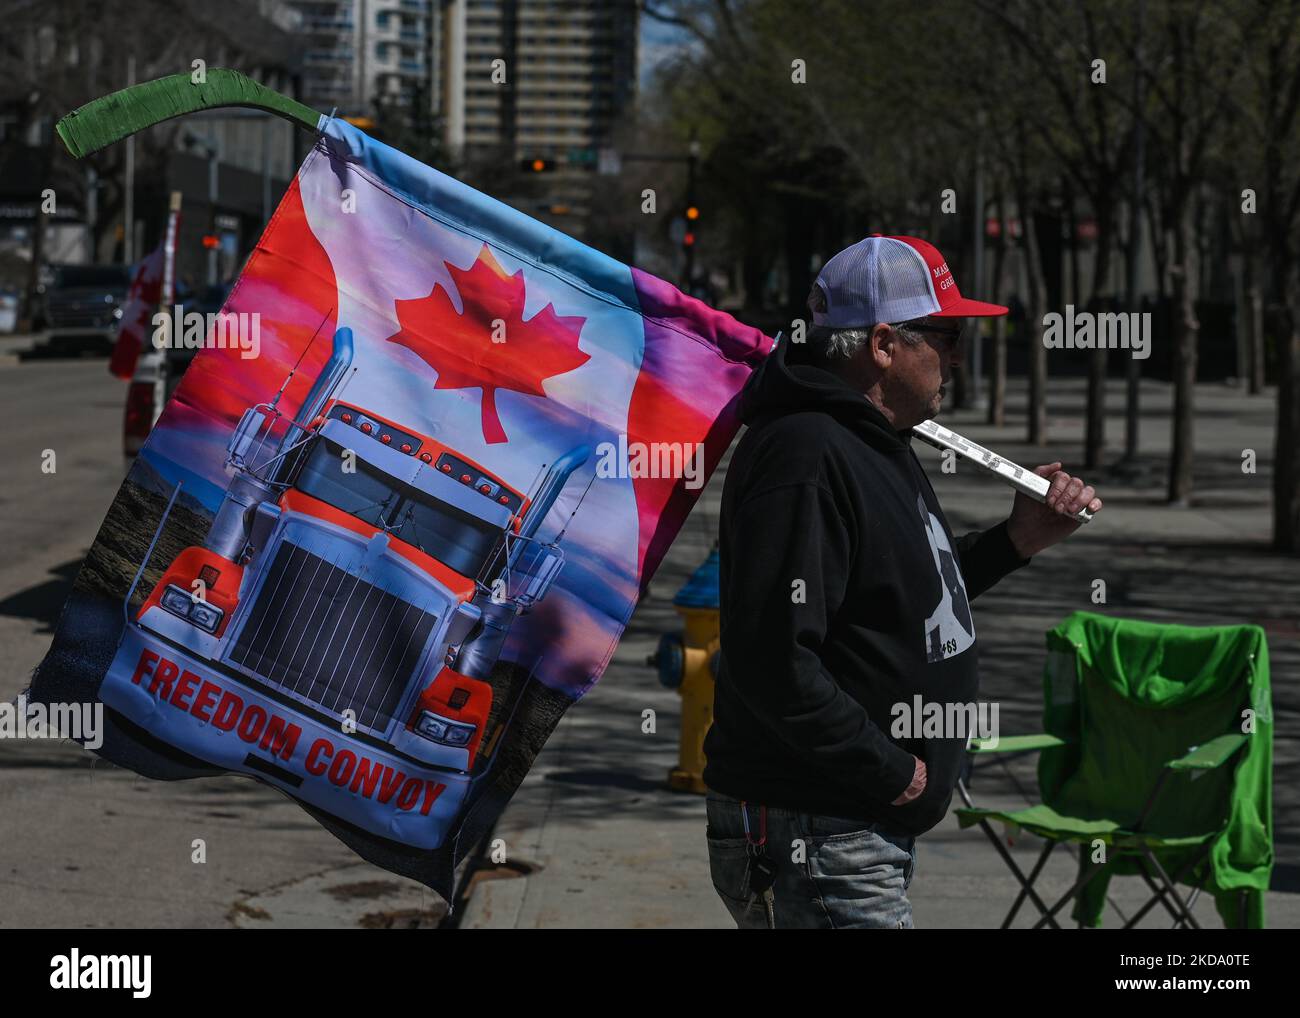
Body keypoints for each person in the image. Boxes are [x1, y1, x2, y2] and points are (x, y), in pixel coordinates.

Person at [702, 234, 1101, 929]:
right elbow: (772, 658)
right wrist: (895, 772)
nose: (955, 357)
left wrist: (1016, 542)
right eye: (944, 336)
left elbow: (900, 602)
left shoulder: (875, 436)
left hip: (850, 829)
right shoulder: (807, 451)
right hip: (817, 830)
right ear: (882, 345)